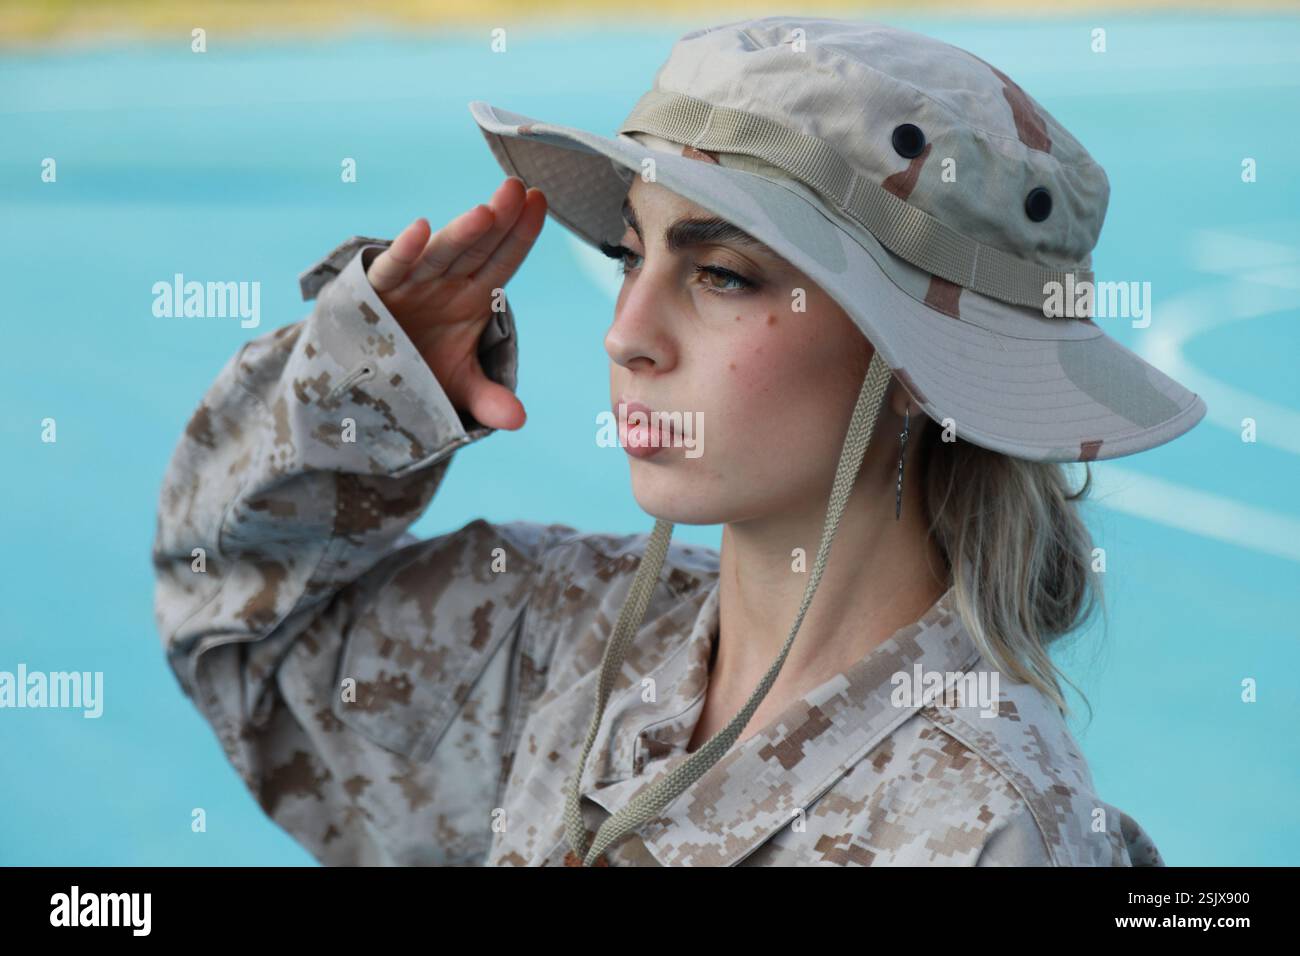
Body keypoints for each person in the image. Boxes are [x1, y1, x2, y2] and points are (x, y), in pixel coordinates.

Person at [152, 16, 1204, 866]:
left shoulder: (987, 826)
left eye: (722, 274)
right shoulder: (563, 630)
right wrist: (366, 388)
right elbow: (244, 642)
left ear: (917, 364)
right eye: (629, 255)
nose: (626, 334)